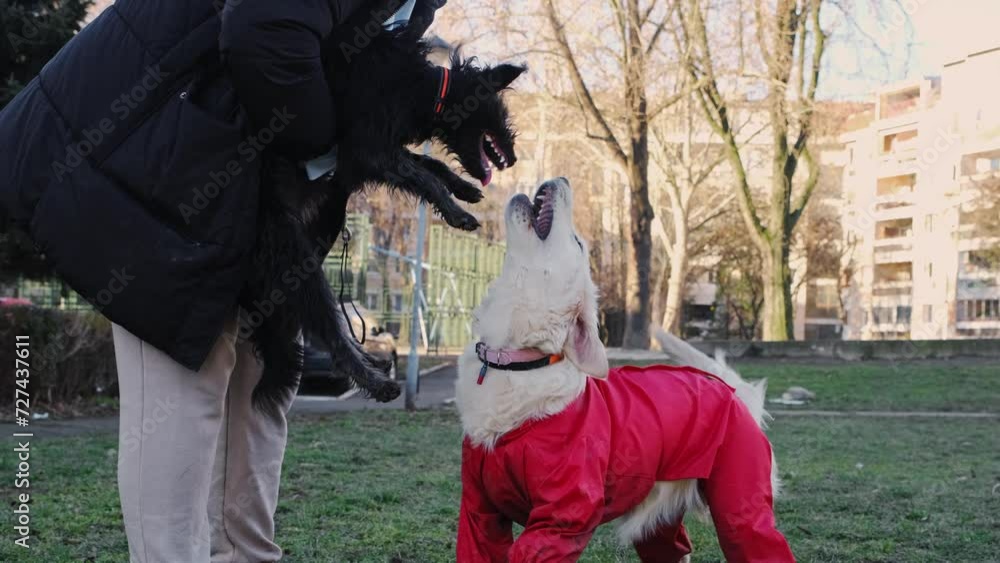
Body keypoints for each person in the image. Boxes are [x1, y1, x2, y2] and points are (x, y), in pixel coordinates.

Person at [0, 0, 444, 561]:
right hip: (163, 173)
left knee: (259, 389)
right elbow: (262, 30)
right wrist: (327, 144)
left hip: (254, 201)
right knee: (186, 393)